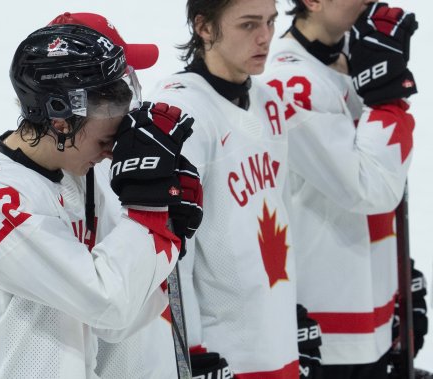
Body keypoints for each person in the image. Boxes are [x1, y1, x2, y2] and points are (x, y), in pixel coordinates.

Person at [0, 23, 196, 378]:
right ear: (61, 121)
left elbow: (112, 323)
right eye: (103, 139)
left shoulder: (70, 178)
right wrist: (152, 217)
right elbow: (107, 302)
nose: (114, 149)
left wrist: (168, 230)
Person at [261, 1, 417, 377]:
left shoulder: (359, 57)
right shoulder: (286, 81)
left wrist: (404, 277)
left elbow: (392, 180)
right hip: (325, 326)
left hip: (376, 314)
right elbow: (370, 186)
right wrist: (388, 100)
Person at [149, 0, 301, 377]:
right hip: (224, 355)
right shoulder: (180, 111)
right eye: (248, 25)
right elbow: (171, 251)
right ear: (204, 27)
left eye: (270, 21)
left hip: (277, 344)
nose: (265, 37)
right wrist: (190, 350)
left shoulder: (268, 102)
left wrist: (295, 316)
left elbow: (278, 218)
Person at [46, 12, 201, 379]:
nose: (130, 92)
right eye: (118, 82)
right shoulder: (75, 179)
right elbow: (109, 310)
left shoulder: (125, 160)